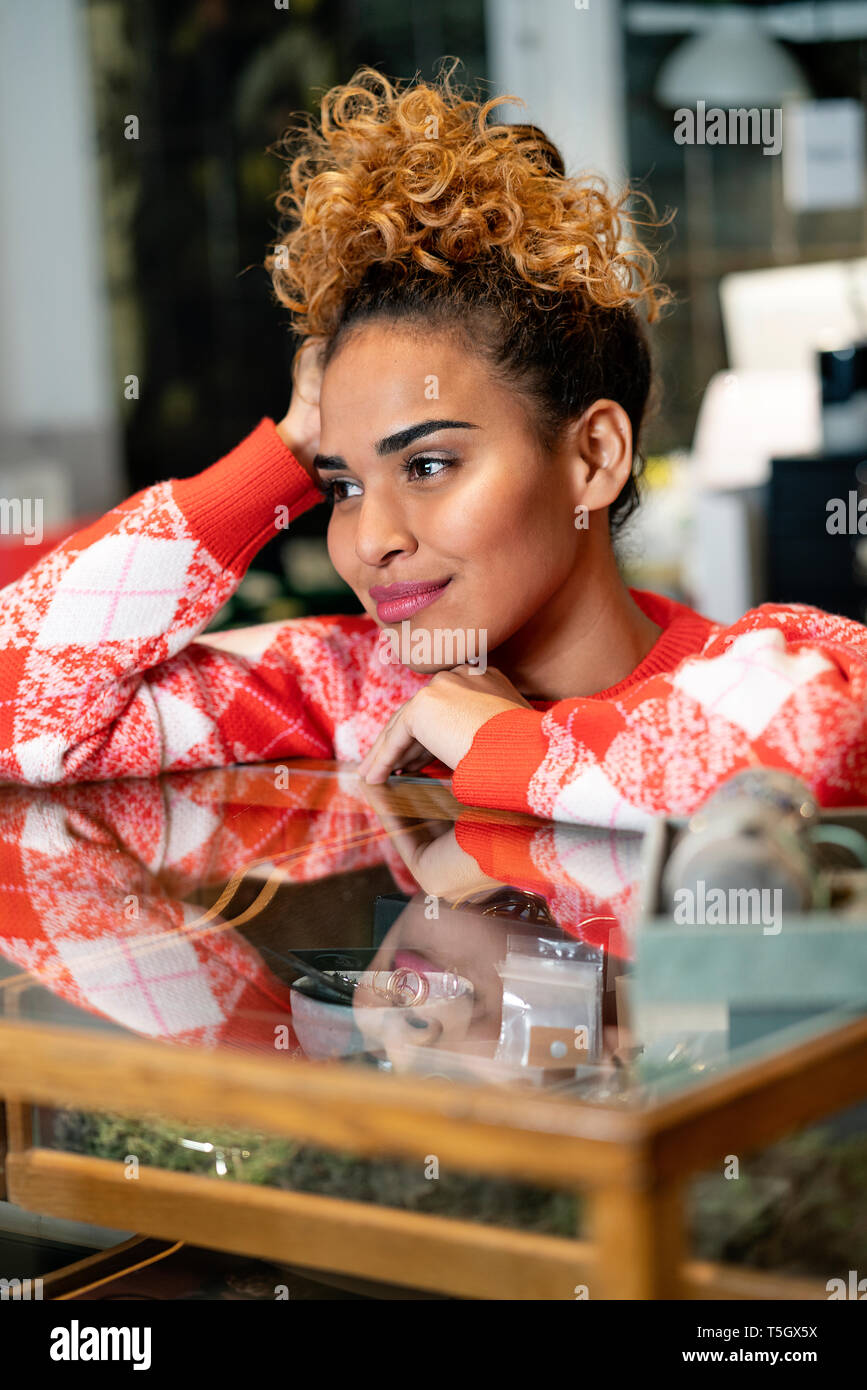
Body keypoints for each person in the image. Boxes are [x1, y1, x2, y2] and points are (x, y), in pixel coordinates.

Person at [2, 63, 866, 830]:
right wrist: (287, 449)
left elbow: (808, 760)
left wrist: (499, 739)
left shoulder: (771, 672)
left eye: (425, 464)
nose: (371, 538)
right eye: (339, 485)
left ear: (594, 457)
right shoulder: (353, 690)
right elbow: (23, 712)